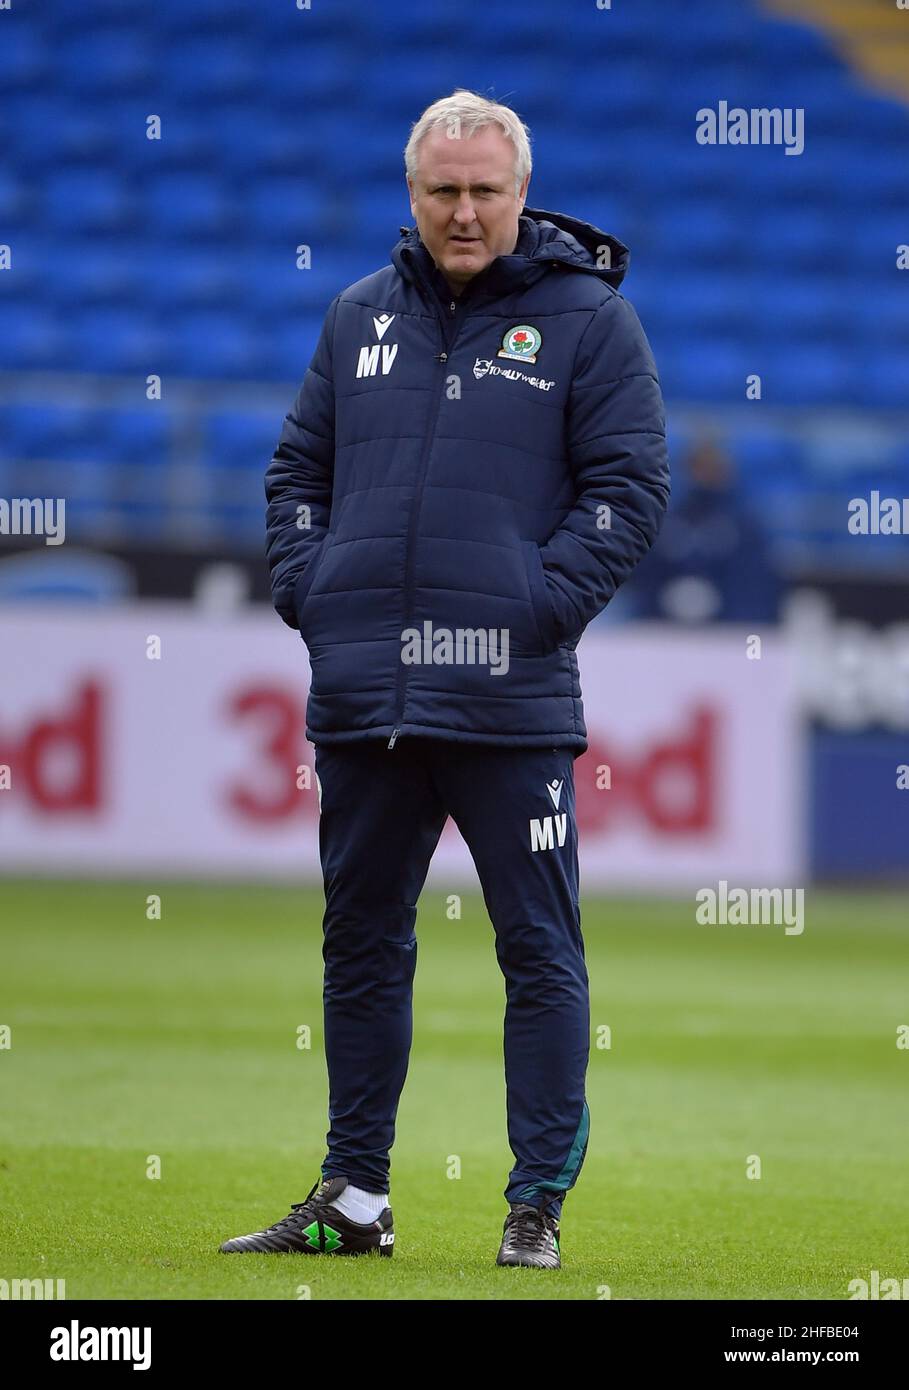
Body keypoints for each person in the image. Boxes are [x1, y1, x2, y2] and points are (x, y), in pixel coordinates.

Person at [221, 89, 670, 1269]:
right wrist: (317, 593)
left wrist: (531, 609)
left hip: (506, 696)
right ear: (411, 194)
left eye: (484, 191)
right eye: (442, 190)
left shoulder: (591, 323)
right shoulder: (356, 314)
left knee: (539, 949)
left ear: (522, 194)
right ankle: (354, 1198)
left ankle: (535, 1209)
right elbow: (293, 476)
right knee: (360, 940)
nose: (463, 211)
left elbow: (628, 493)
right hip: (369, 693)